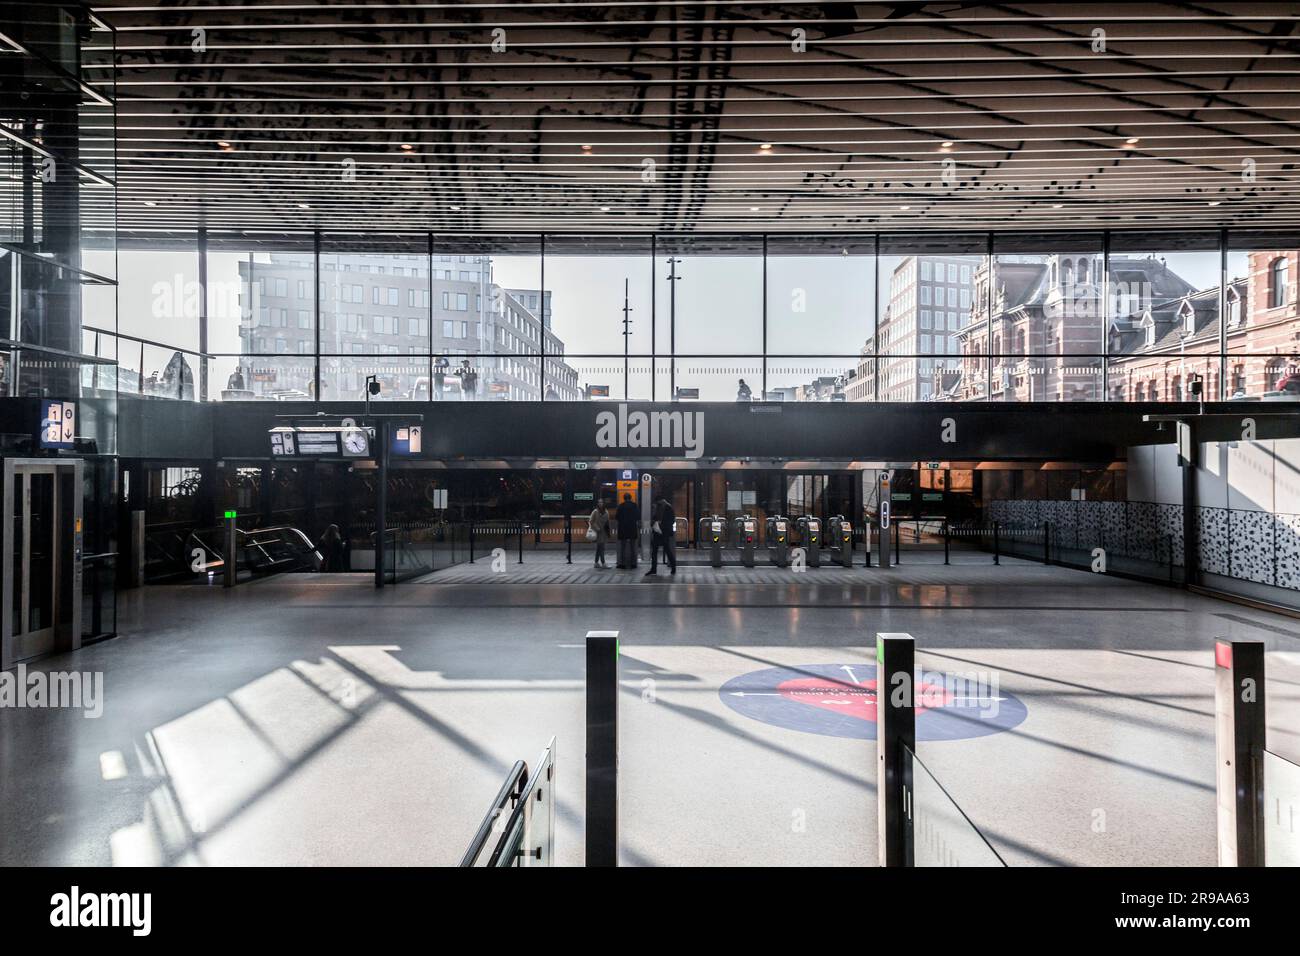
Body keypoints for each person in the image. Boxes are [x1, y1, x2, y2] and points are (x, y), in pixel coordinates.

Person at [646, 496, 677, 576]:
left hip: (663, 532)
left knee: (666, 550)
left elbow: (671, 520)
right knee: (657, 551)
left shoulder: (668, 507)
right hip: (658, 532)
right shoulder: (660, 507)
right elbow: (654, 518)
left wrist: (661, 525)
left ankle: (673, 567)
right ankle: (654, 569)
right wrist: (654, 523)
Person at [614, 492, 640, 569]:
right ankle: (633, 564)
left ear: (624, 498)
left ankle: (622, 564)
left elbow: (617, 517)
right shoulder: (634, 506)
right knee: (632, 547)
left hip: (623, 529)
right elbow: (638, 516)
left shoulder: (620, 506)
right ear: (630, 498)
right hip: (632, 528)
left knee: (623, 547)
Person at [588, 499, 611, 568]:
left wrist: (608, 532)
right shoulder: (595, 511)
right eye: (599, 502)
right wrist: (597, 528)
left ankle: (596, 563)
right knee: (601, 548)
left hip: (604, 532)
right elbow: (591, 521)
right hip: (598, 532)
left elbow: (607, 522)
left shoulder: (606, 511)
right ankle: (603, 563)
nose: (600, 504)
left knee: (599, 548)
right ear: (597, 504)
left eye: (602, 502)